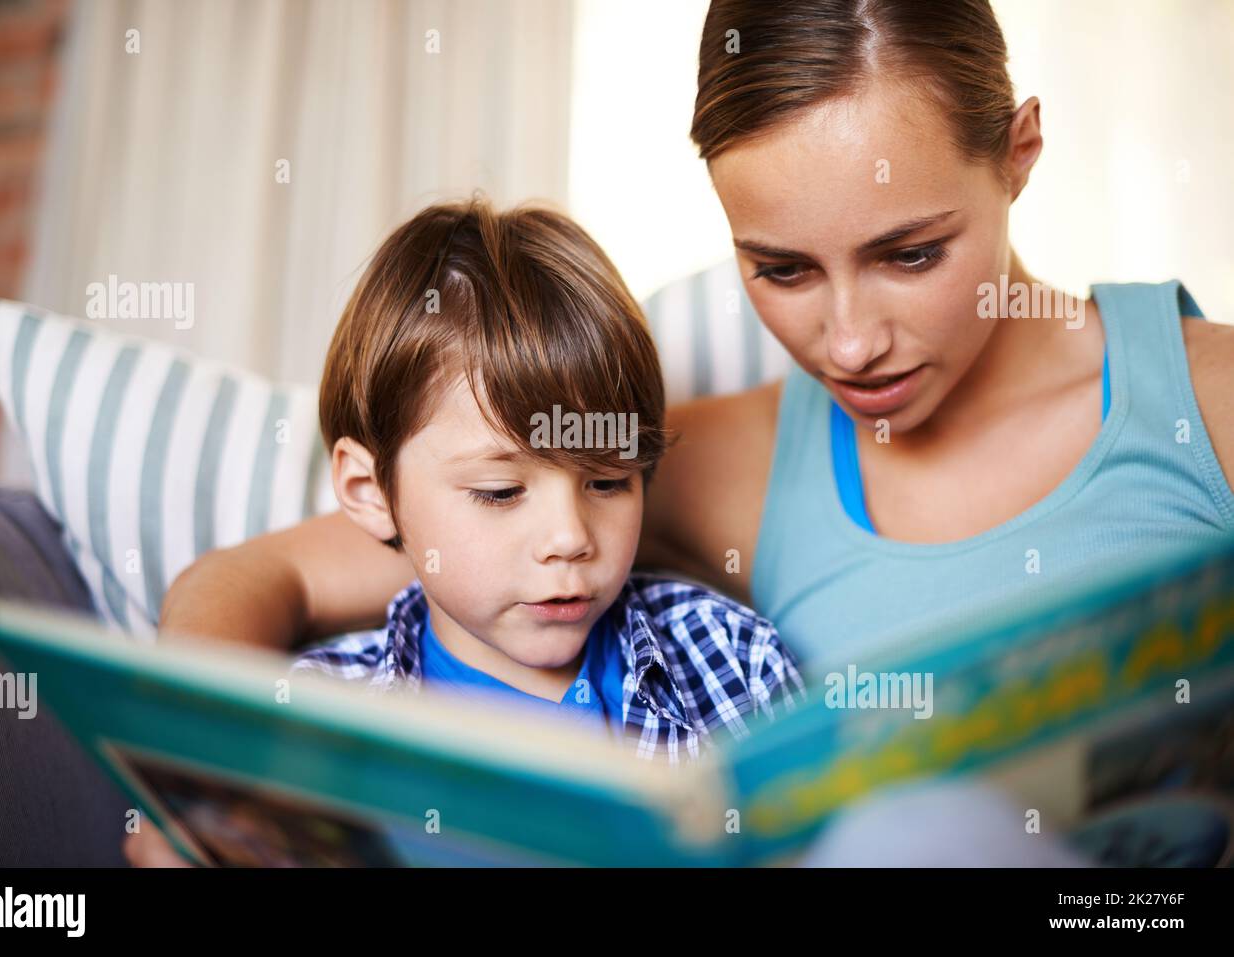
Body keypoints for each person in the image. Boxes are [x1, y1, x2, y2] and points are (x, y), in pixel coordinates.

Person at [133, 0, 1234, 864]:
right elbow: (260, 573)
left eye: (909, 254)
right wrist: (207, 791)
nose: (848, 343)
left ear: (1019, 152)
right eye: (782, 269)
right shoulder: (705, 466)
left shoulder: (1205, 401)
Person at [125, 196, 805, 865]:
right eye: (500, 491)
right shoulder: (315, 721)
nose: (570, 536)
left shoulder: (729, 659)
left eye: (608, 481)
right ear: (370, 492)